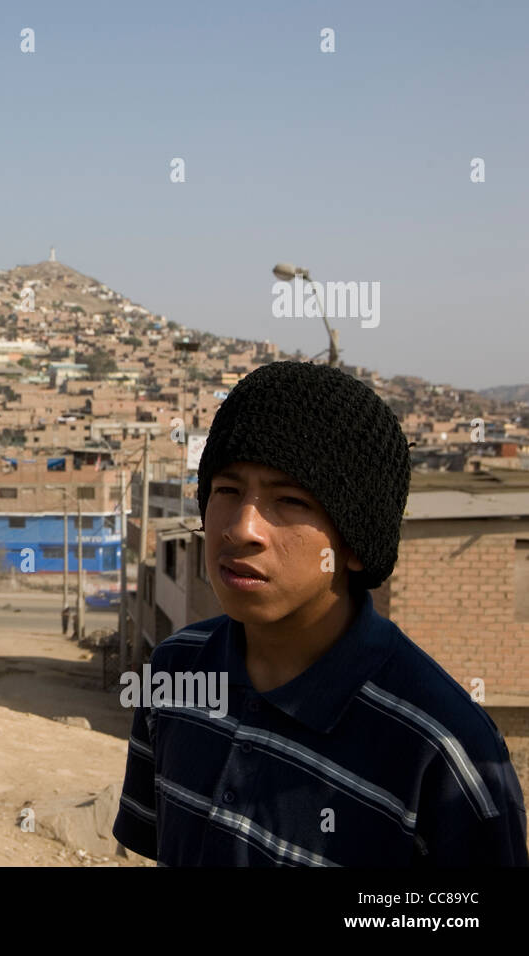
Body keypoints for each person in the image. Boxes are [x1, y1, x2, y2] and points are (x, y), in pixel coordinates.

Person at [112, 361, 527, 866]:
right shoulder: (174, 673)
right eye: (226, 490)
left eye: (289, 500)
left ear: (353, 544)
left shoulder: (443, 750)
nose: (242, 529)